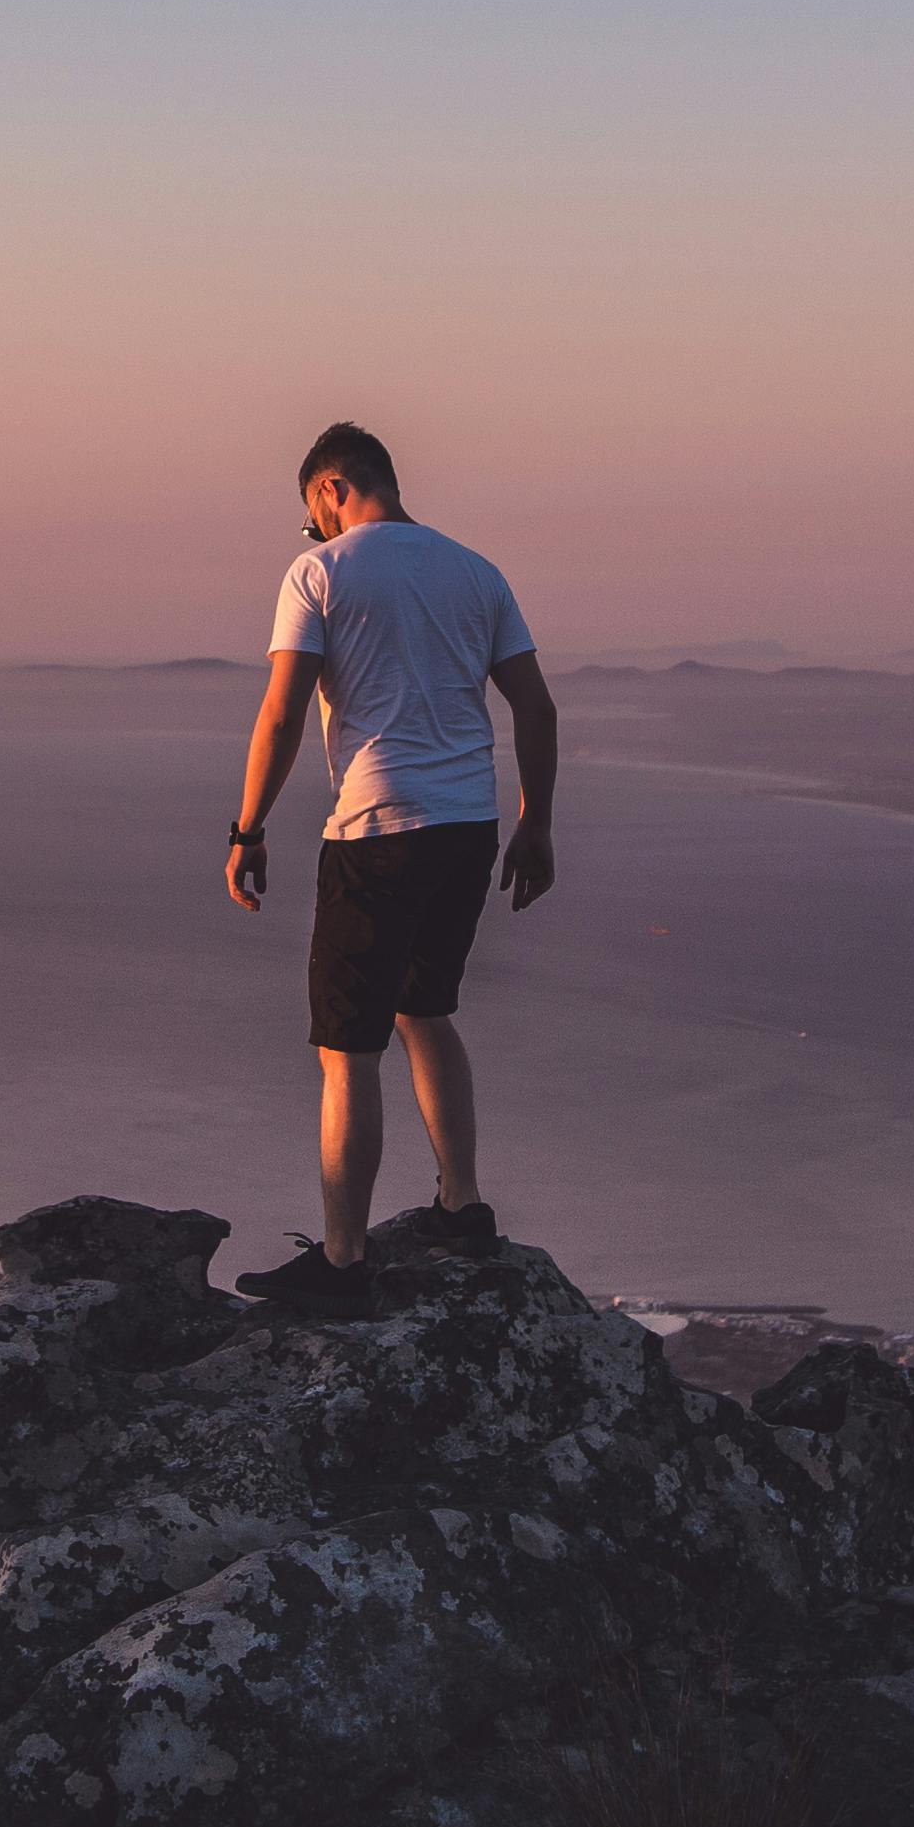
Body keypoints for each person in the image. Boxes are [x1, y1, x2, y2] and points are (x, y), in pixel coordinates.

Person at [225, 422, 556, 1310]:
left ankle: (342, 1263)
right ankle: (462, 1206)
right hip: (468, 826)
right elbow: (536, 708)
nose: (315, 531)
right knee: (426, 1009)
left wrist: (248, 829)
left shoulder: (320, 573)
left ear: (331, 489)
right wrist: (537, 826)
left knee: (348, 1049)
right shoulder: (477, 572)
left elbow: (281, 714)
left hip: (376, 830)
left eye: (313, 515)